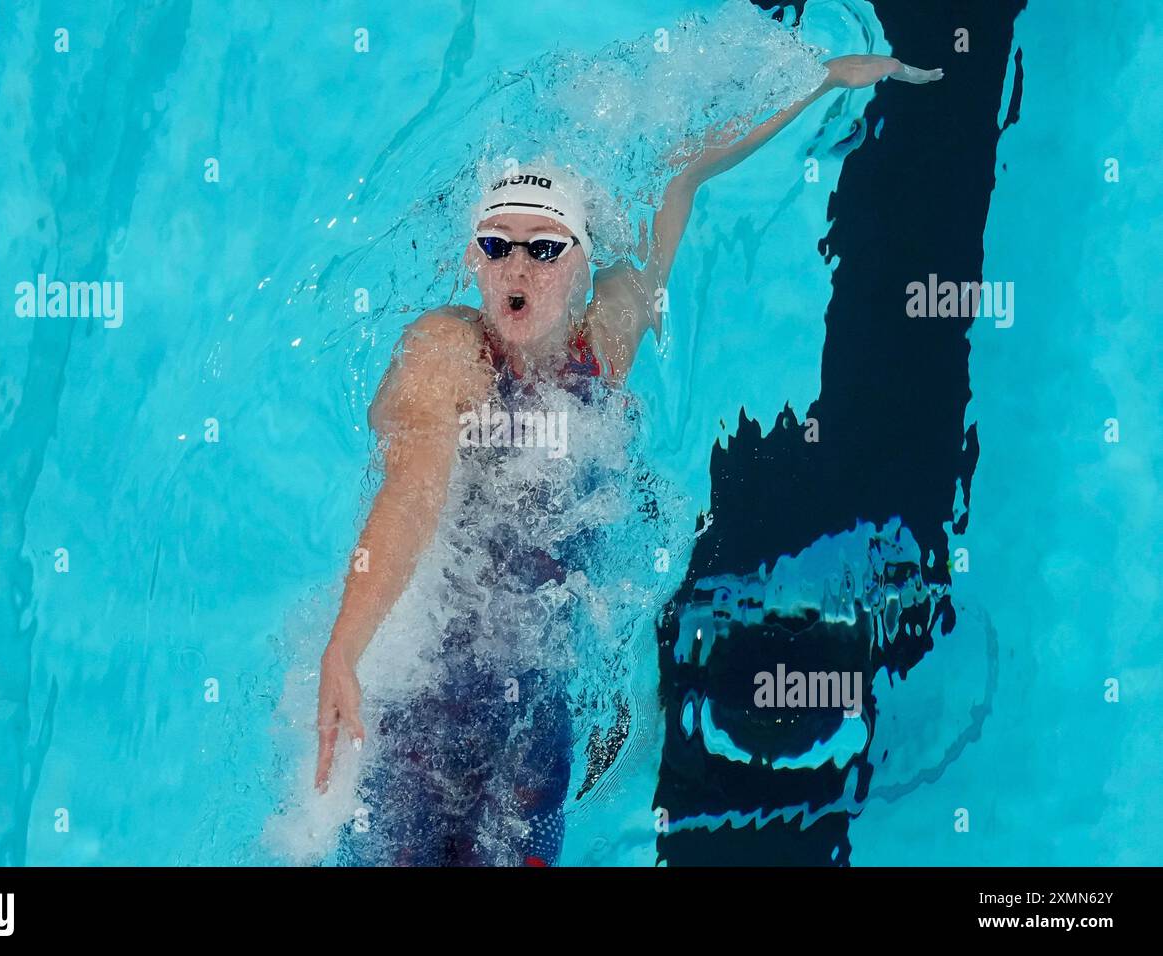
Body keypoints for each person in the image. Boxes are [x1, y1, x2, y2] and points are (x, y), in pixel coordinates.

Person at [314, 55, 943, 866]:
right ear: (472, 260)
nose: (517, 268)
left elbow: (683, 174)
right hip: (423, 716)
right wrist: (346, 644)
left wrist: (820, 78)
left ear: (581, 262)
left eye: (545, 250)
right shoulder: (448, 352)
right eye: (497, 246)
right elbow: (412, 490)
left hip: (535, 725)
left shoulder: (604, 339)